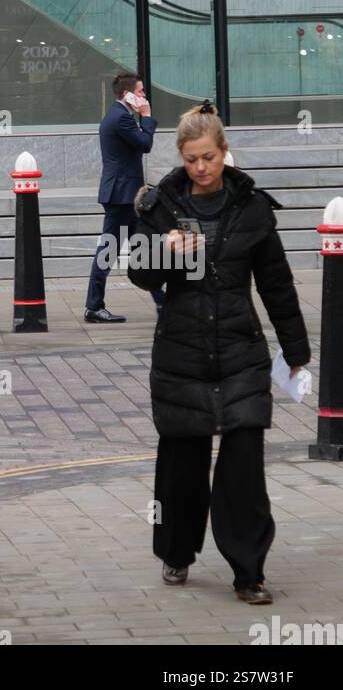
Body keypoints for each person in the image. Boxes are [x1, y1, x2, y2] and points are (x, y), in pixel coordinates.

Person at [129, 101, 310, 604]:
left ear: (223, 151)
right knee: (182, 465)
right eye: (191, 159)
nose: (201, 168)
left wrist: (295, 349)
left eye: (208, 156)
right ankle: (176, 552)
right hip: (182, 353)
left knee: (243, 471)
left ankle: (249, 572)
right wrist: (163, 252)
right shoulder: (159, 206)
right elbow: (139, 276)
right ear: (181, 158)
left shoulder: (251, 208)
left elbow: (276, 284)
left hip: (241, 353)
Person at [85, 71, 164, 323]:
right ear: (127, 94)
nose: (144, 96)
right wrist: (147, 116)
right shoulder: (121, 118)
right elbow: (145, 143)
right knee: (109, 252)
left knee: (142, 250)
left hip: (124, 195)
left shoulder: (118, 115)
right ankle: (94, 307)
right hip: (122, 197)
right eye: (140, 91)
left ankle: (162, 302)